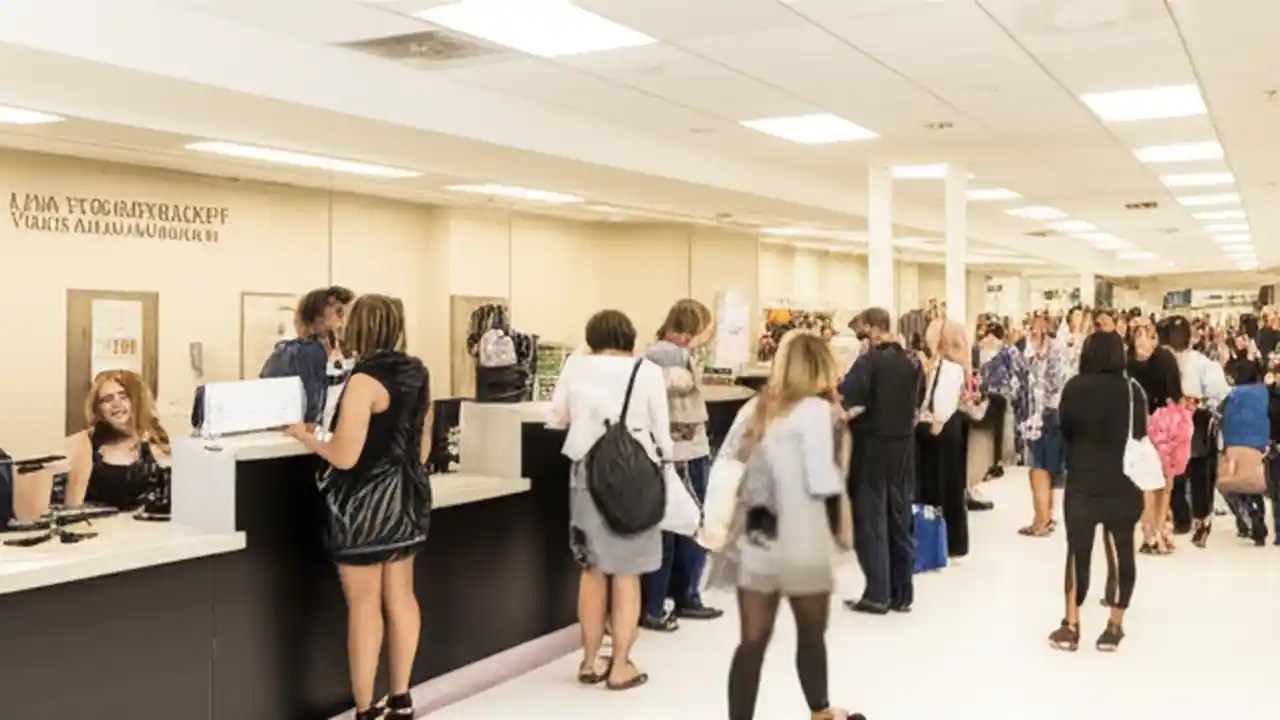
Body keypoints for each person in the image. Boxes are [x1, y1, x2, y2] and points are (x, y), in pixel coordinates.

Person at [286, 294, 430, 720]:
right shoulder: (417, 370)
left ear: (360, 326)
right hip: (406, 497)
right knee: (401, 597)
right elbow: (421, 443)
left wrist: (305, 436)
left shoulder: (364, 379)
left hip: (364, 505)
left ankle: (366, 709)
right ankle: (401, 699)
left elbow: (346, 455)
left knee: (364, 605)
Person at [709, 331, 860, 720]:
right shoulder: (827, 417)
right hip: (804, 540)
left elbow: (729, 463)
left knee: (752, 642)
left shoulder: (756, 409)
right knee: (810, 634)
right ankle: (820, 711)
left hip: (757, 537)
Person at [547, 309, 671, 692]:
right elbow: (662, 433)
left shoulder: (575, 366)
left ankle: (588, 662)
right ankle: (620, 666)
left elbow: (557, 417)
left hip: (587, 469)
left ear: (591, 337)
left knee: (593, 568)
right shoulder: (646, 371)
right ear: (630, 337)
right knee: (627, 572)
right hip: (634, 475)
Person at [1049, 331, 1145, 653]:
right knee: (1120, 553)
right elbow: (1142, 433)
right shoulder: (1133, 392)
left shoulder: (1074, 388)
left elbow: (1066, 430)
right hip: (1123, 482)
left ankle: (1071, 624)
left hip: (1082, 480)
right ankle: (1114, 626)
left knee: (1078, 553)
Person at [641, 299, 723, 631]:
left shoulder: (659, 354)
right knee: (685, 526)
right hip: (684, 454)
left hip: (678, 451)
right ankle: (678, 597)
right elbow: (682, 385)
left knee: (673, 529)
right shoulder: (668, 355)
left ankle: (669, 598)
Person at [841, 307, 924, 615]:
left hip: (872, 445)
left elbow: (849, 398)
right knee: (899, 515)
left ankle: (877, 593)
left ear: (875, 329)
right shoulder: (914, 362)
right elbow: (917, 403)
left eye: (862, 331)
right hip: (903, 445)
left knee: (871, 516)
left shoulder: (869, 362)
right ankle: (902, 593)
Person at [917, 318, 979, 558]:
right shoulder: (955, 366)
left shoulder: (946, 368)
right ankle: (953, 542)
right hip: (950, 430)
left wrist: (932, 427)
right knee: (952, 486)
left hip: (941, 430)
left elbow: (941, 406)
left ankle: (939, 542)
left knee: (938, 487)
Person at [65, 370, 170, 510]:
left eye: (123, 396)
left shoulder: (155, 440)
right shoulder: (87, 443)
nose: (116, 404)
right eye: (107, 399)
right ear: (99, 409)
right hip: (100, 528)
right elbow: (72, 507)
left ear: (137, 400)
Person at [1167, 316, 1230, 547]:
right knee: (1198, 471)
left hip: (1174, 418)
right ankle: (1199, 519)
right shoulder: (1202, 362)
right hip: (1197, 417)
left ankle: (1182, 518)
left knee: (1176, 470)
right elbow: (1221, 392)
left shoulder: (1165, 360)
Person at [1126, 316, 1187, 555]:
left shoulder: (1163, 359)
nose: (1145, 338)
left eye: (1148, 333)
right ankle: (1151, 531)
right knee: (1150, 482)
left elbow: (1174, 392)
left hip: (1161, 425)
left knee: (1162, 480)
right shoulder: (1129, 362)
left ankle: (1158, 528)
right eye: (1139, 333)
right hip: (1145, 426)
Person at [264, 286, 356, 429]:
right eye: (339, 312)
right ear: (315, 319)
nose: (347, 320)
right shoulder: (293, 354)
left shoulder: (354, 360)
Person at [1019, 313, 1068, 537]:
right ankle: (1044, 517)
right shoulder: (1048, 350)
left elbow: (1049, 384)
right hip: (1047, 413)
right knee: (1044, 467)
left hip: (1045, 414)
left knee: (1039, 467)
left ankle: (1042, 520)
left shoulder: (1052, 352)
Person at [1218, 357, 1270, 546]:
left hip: (1234, 444)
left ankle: (1244, 518)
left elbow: (1220, 416)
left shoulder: (1232, 395)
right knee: (1255, 482)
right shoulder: (1265, 393)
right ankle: (1258, 515)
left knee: (1232, 484)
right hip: (1260, 445)